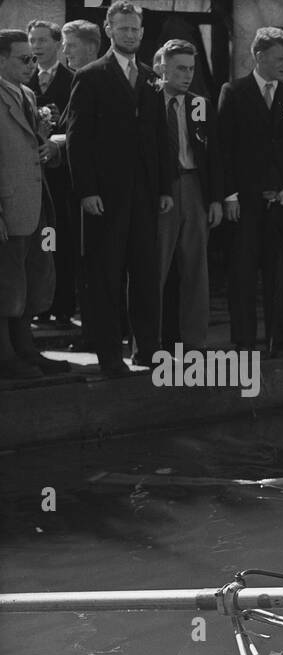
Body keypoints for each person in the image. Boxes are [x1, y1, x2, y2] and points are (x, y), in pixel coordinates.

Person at [65, 1, 174, 377]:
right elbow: (78, 141)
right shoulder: (92, 76)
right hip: (105, 197)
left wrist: (164, 188)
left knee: (145, 274)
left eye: (135, 29)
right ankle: (110, 357)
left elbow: (160, 137)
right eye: (123, 28)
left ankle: (148, 350)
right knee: (106, 276)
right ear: (109, 30)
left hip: (145, 195)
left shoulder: (149, 77)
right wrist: (87, 191)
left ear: (143, 33)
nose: (130, 34)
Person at [218, 26, 283, 356]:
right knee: (243, 273)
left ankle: (278, 338)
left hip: (281, 203)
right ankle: (243, 341)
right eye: (279, 59)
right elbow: (223, 149)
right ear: (259, 56)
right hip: (245, 203)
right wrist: (229, 195)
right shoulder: (234, 92)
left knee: (280, 274)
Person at [0, 29, 59, 378]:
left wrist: (52, 146)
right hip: (9, 207)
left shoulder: (25, 94)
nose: (31, 65)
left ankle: (25, 347)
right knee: (6, 281)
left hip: (35, 205)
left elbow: (34, 148)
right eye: (24, 59)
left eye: (34, 59)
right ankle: (6, 355)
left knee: (32, 278)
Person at [156, 39, 222, 352]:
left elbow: (216, 155)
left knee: (196, 266)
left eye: (191, 69)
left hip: (195, 185)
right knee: (155, 265)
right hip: (163, 188)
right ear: (162, 68)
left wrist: (216, 199)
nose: (187, 75)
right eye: (180, 68)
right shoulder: (148, 101)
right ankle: (150, 338)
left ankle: (194, 341)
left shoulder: (200, 104)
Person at [25, 19, 74, 325]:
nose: (37, 47)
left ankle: (63, 304)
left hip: (61, 178)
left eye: (43, 41)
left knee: (58, 239)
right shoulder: (22, 80)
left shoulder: (73, 79)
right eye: (33, 41)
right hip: (32, 177)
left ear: (58, 44)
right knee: (39, 240)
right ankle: (38, 303)